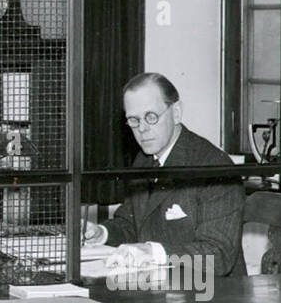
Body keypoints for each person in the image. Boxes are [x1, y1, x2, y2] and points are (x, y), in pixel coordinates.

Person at [83, 72, 245, 277]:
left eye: (151, 117)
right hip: (162, 286)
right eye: (133, 120)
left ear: (176, 112)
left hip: (212, 295)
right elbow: (131, 224)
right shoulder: (145, 159)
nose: (142, 129)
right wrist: (101, 234)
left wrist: (153, 252)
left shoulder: (214, 167)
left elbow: (218, 256)